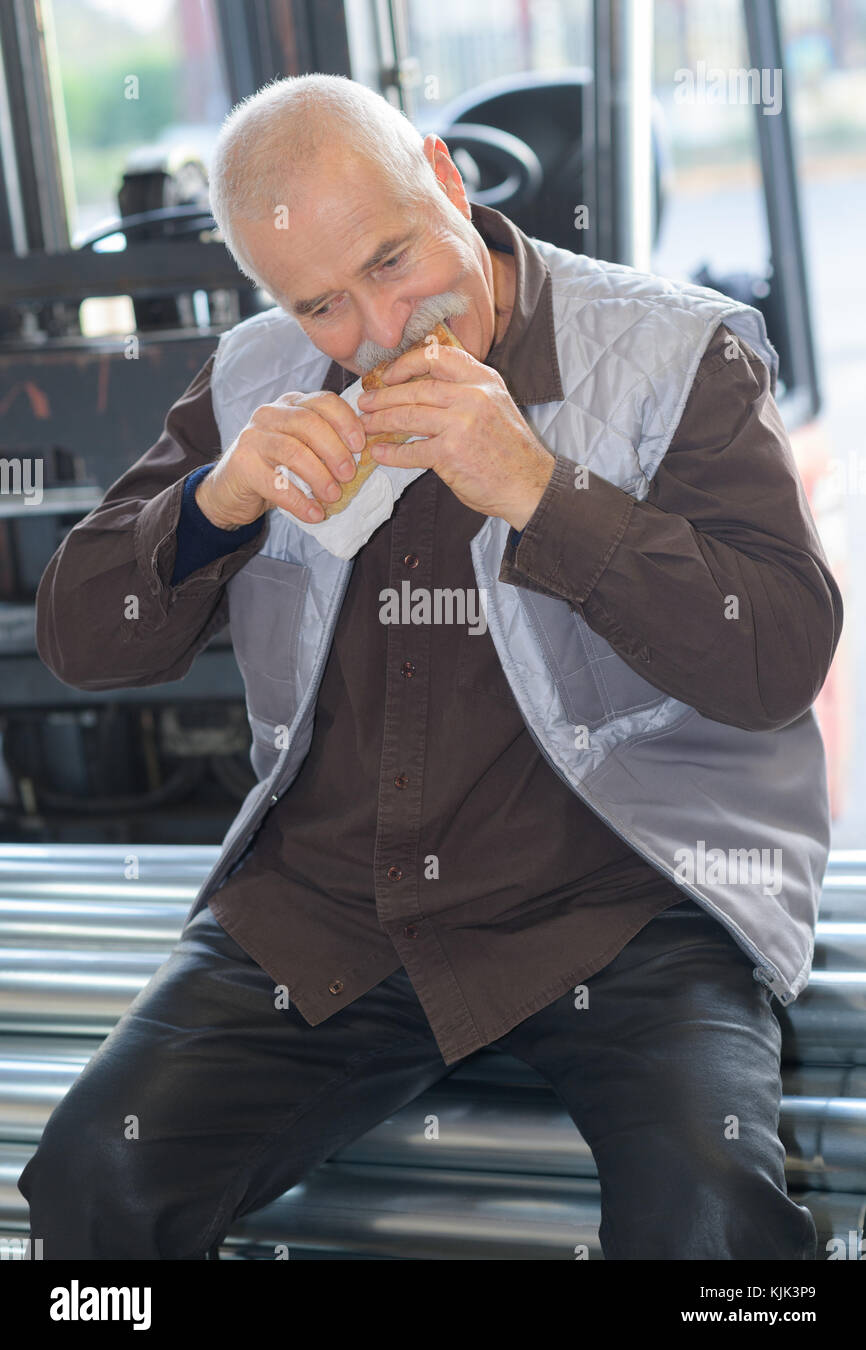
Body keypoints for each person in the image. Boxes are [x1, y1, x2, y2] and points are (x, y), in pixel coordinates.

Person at [18, 73, 842, 1260]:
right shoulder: (255, 378)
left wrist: (539, 492)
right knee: (97, 1176)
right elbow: (80, 639)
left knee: (709, 1217)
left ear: (446, 179)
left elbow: (777, 653)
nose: (375, 331)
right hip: (332, 911)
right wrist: (213, 505)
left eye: (394, 261)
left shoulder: (675, 354)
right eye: (320, 306)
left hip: (626, 905)